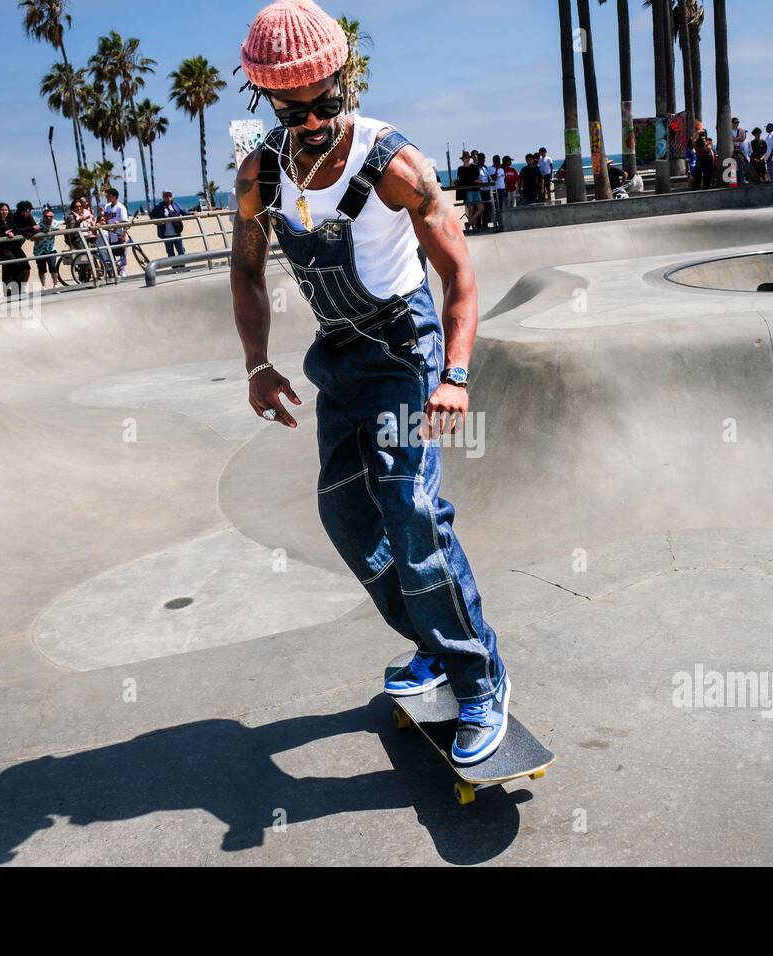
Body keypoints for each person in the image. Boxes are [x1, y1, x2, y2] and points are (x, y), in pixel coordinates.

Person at [232, 0, 509, 765]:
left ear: (344, 79)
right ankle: (428, 640)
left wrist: (453, 375)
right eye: (296, 109)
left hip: (406, 349)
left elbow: (459, 274)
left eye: (327, 101)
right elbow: (247, 273)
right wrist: (256, 361)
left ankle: (478, 677)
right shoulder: (260, 173)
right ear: (266, 99)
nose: (315, 119)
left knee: (411, 513)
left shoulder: (393, 163)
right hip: (339, 360)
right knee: (349, 522)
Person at [149, 190, 188, 259]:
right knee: (170, 254)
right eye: (166, 196)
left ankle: (183, 268)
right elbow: (152, 216)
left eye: (170, 195)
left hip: (177, 233)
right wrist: (158, 222)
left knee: (181, 251)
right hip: (166, 235)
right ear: (163, 197)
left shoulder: (176, 204)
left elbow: (184, 212)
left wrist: (193, 213)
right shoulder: (159, 207)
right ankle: (175, 269)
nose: (168, 197)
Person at [33, 205, 61, 289]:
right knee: (41, 269)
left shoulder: (55, 223)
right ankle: (43, 286)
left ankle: (55, 284)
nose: (49, 219)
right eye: (46, 217)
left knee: (53, 266)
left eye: (51, 217)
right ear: (43, 216)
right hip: (39, 250)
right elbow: (32, 238)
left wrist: (56, 230)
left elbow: (59, 229)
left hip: (51, 249)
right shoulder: (38, 224)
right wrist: (40, 232)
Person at [455, 150, 482, 232]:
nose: (466, 159)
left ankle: (469, 224)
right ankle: (473, 227)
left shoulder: (474, 166)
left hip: (475, 190)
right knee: (471, 210)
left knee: (481, 208)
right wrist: (473, 180)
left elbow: (475, 177)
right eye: (465, 158)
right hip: (467, 191)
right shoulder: (460, 169)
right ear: (462, 159)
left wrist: (472, 180)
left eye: (467, 158)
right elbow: (463, 180)